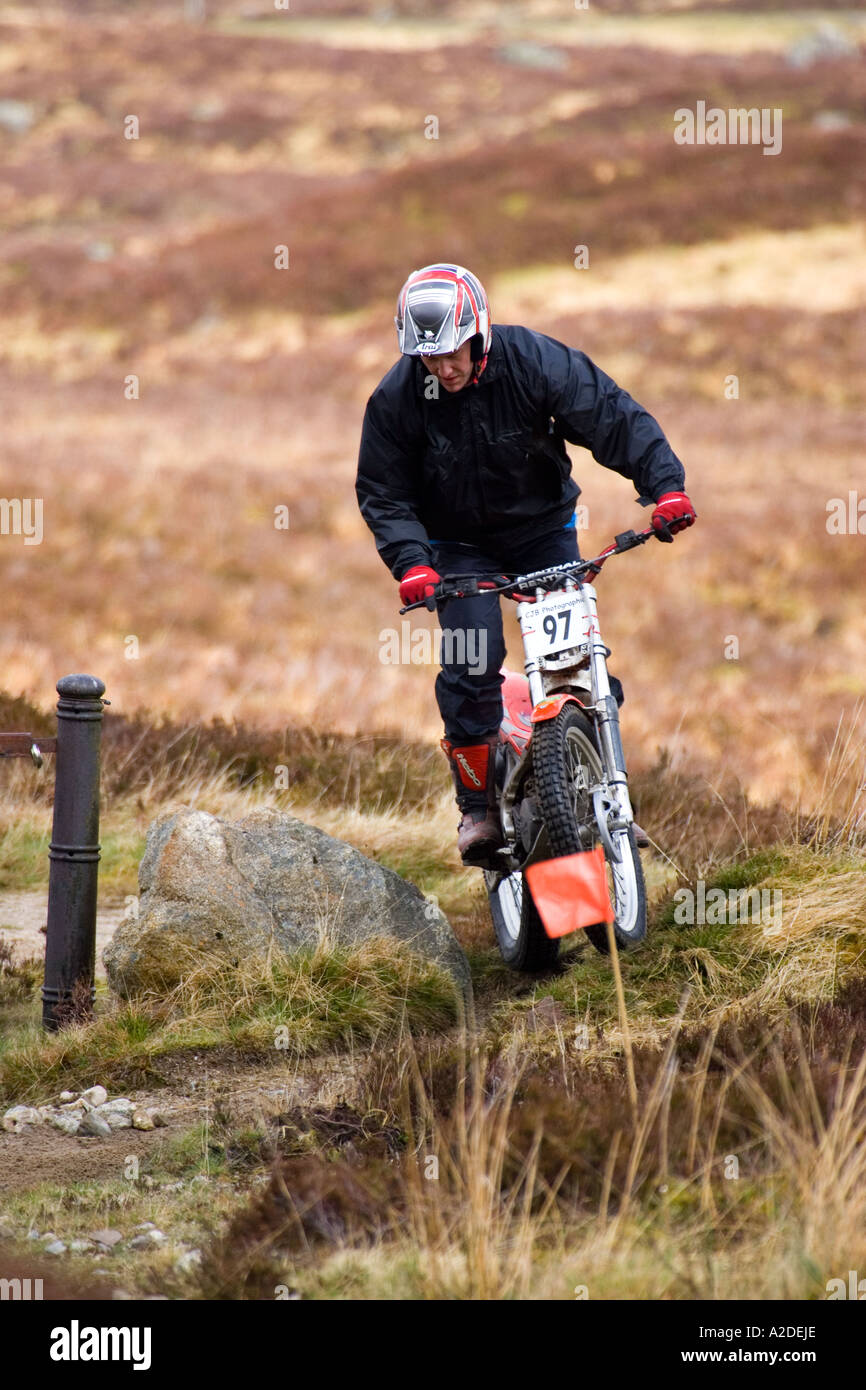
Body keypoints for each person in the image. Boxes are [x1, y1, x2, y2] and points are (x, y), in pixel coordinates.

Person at [356, 263, 695, 865]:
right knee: (471, 659)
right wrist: (412, 563)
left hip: (543, 529)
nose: (443, 369)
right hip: (456, 548)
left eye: (452, 355)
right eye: (428, 360)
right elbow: (384, 491)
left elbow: (611, 415)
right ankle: (477, 808)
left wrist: (664, 487)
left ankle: (607, 796)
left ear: (478, 334)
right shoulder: (398, 398)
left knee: (579, 660)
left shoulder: (534, 361)